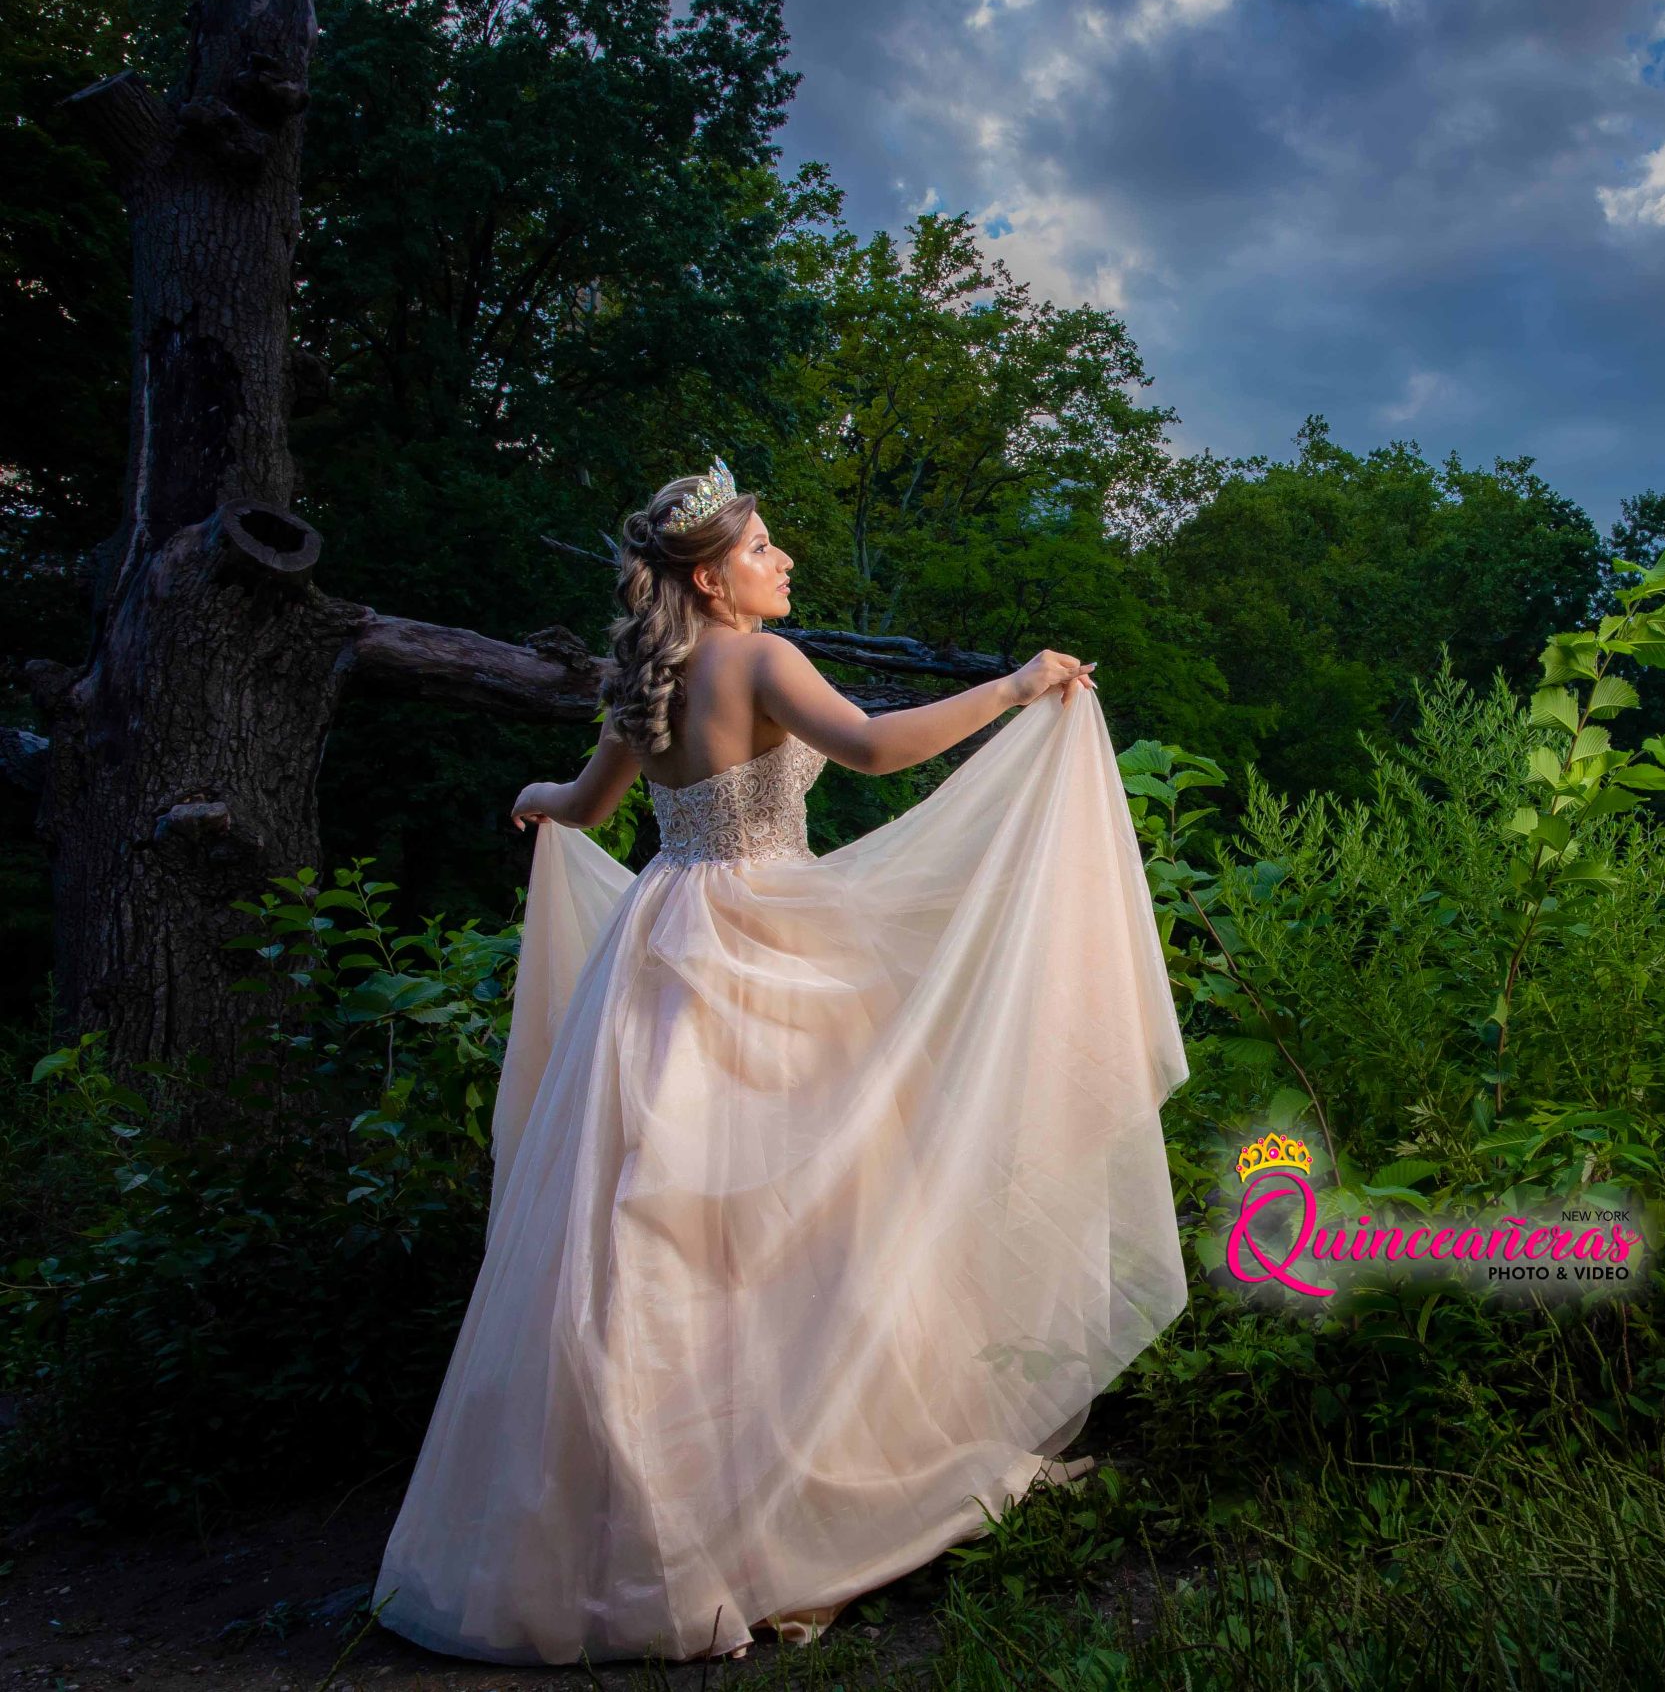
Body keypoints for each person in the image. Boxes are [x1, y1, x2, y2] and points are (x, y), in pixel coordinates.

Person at [371, 461, 1190, 1665]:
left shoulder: (647, 680)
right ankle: (795, 1489)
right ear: (713, 576)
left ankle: (641, 1517)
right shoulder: (756, 660)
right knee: (815, 1209)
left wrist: (538, 799)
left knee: (659, 1230)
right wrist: (1012, 686)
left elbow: (593, 805)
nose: (786, 562)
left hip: (664, 935)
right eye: (765, 550)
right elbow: (866, 747)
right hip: (765, 931)